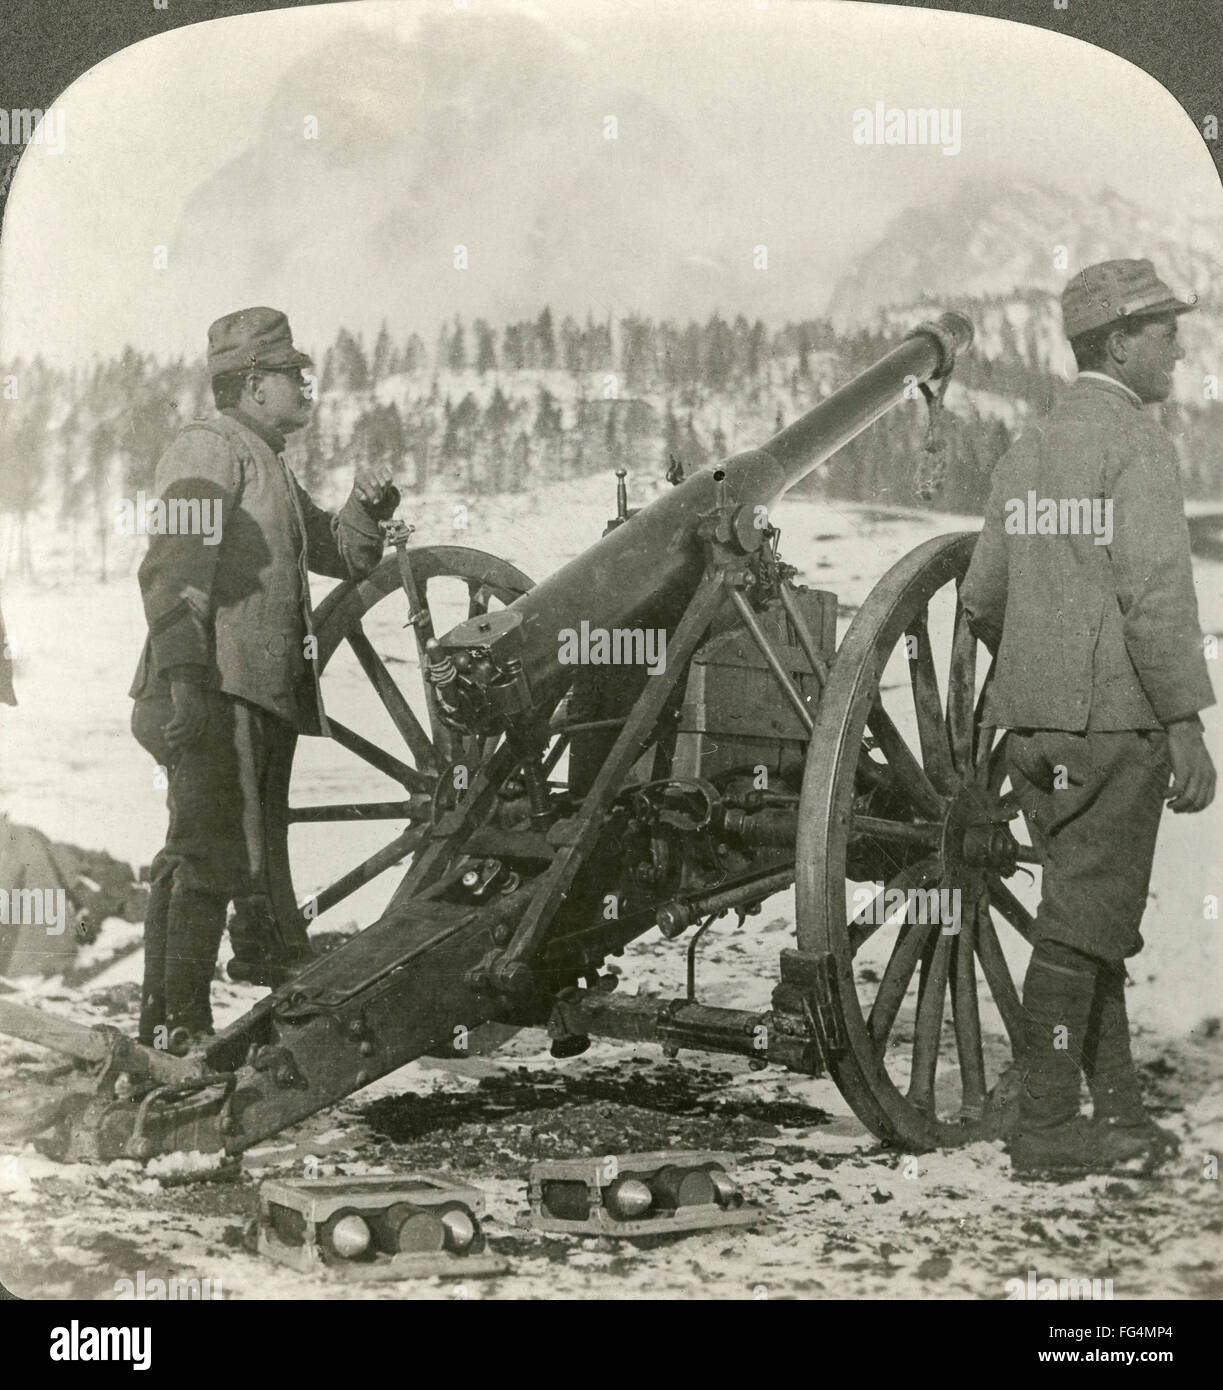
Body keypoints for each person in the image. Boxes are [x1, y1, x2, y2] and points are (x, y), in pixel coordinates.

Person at [961, 259, 1216, 1177]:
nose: (1177, 347)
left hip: (1031, 733)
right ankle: (1044, 1126)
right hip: (1115, 728)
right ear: (1116, 343)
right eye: (1161, 333)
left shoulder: (1026, 447)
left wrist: (1041, 669)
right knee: (1079, 928)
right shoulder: (1135, 445)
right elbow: (1154, 598)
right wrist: (1184, 722)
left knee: (1084, 916)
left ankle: (1116, 1114)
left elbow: (983, 595)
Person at [129, 307, 398, 1051]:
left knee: (232, 850)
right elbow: (175, 566)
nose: (305, 386)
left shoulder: (263, 459)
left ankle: (189, 1017)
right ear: (252, 385)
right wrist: (184, 678)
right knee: (207, 853)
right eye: (291, 375)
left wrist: (369, 509)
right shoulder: (208, 447)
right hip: (212, 688)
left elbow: (339, 554)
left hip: (251, 693)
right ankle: (177, 1027)